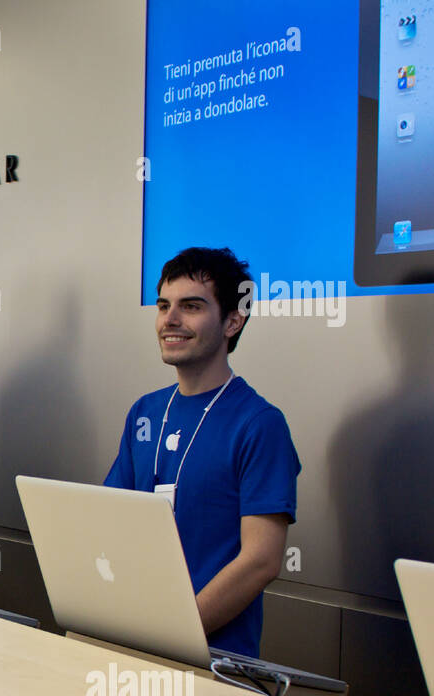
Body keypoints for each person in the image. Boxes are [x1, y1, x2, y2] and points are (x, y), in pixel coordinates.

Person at [103, 247, 300, 658]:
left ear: (232, 320)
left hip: (215, 666)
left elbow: (261, 561)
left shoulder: (259, 423)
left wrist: (175, 635)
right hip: (130, 646)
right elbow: (110, 523)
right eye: (163, 306)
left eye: (190, 306)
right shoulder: (145, 412)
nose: (170, 320)